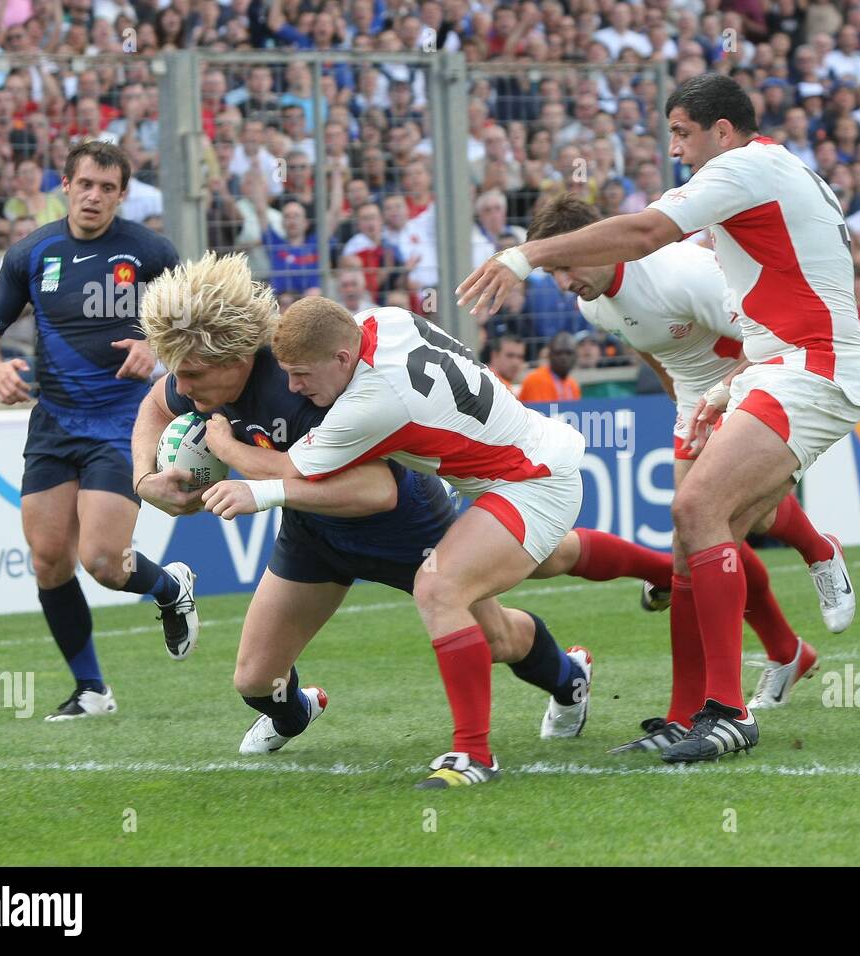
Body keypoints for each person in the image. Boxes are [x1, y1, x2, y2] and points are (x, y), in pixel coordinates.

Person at [458, 73, 860, 761]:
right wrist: (708, 396)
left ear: (722, 131)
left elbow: (647, 229)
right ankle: (688, 714)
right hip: (776, 364)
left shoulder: (745, 166)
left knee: (698, 507)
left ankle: (728, 712)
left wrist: (525, 254)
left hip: (810, 362)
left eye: (682, 133)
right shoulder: (762, 171)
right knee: (697, 532)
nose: (675, 147)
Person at [134, 253, 600, 760]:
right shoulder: (200, 381)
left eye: (192, 375)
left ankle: (568, 677)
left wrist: (240, 465)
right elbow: (155, 405)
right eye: (177, 373)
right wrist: (145, 480)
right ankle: (297, 712)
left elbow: (378, 489)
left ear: (236, 357)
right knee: (254, 681)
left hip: (402, 525)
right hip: (314, 533)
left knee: (498, 641)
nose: (182, 387)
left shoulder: (301, 383)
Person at [528, 192, 856, 747]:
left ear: (602, 241)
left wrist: (728, 395)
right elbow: (656, 351)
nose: (564, 283)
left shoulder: (681, 273)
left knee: (717, 522)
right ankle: (690, 710)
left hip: (758, 381)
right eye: (553, 271)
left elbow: (772, 337)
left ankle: (813, 560)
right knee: (696, 540)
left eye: (567, 265)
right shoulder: (591, 302)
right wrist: (687, 423)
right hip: (695, 401)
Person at [0, 141, 195, 720]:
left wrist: (155, 348)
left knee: (102, 560)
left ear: (122, 194)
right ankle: (92, 690)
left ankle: (169, 589)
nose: (94, 196)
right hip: (53, 424)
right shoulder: (32, 252)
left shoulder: (150, 252)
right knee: (48, 560)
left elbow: (195, 329)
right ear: (64, 185)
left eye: (107, 188)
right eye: (85, 184)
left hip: (123, 425)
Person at [517, 330, 581, 402]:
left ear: (576, 356)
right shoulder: (536, 380)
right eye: (558, 353)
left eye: (569, 353)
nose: (564, 358)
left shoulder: (573, 386)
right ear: (549, 355)